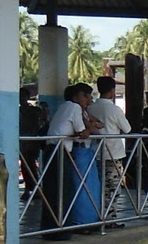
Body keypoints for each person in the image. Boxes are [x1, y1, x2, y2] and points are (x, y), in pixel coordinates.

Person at [47, 83, 100, 226]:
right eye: (87, 97)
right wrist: (89, 127)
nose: (88, 101)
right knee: (63, 190)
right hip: (59, 150)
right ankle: (64, 225)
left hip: (53, 149)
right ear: (79, 96)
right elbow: (82, 132)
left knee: (55, 190)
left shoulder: (64, 106)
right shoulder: (75, 107)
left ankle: (55, 226)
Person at [87, 76, 134, 218]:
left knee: (96, 186)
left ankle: (96, 215)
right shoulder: (114, 109)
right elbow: (127, 129)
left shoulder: (90, 108)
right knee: (112, 187)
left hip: (94, 153)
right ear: (112, 91)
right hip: (113, 154)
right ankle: (109, 217)